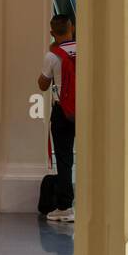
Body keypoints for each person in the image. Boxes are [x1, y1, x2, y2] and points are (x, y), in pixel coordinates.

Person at [38, 14, 77, 222]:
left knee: (64, 158)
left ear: (52, 32)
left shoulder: (53, 56)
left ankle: (65, 207)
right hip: (87, 109)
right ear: (72, 27)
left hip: (63, 111)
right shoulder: (85, 48)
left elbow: (42, 85)